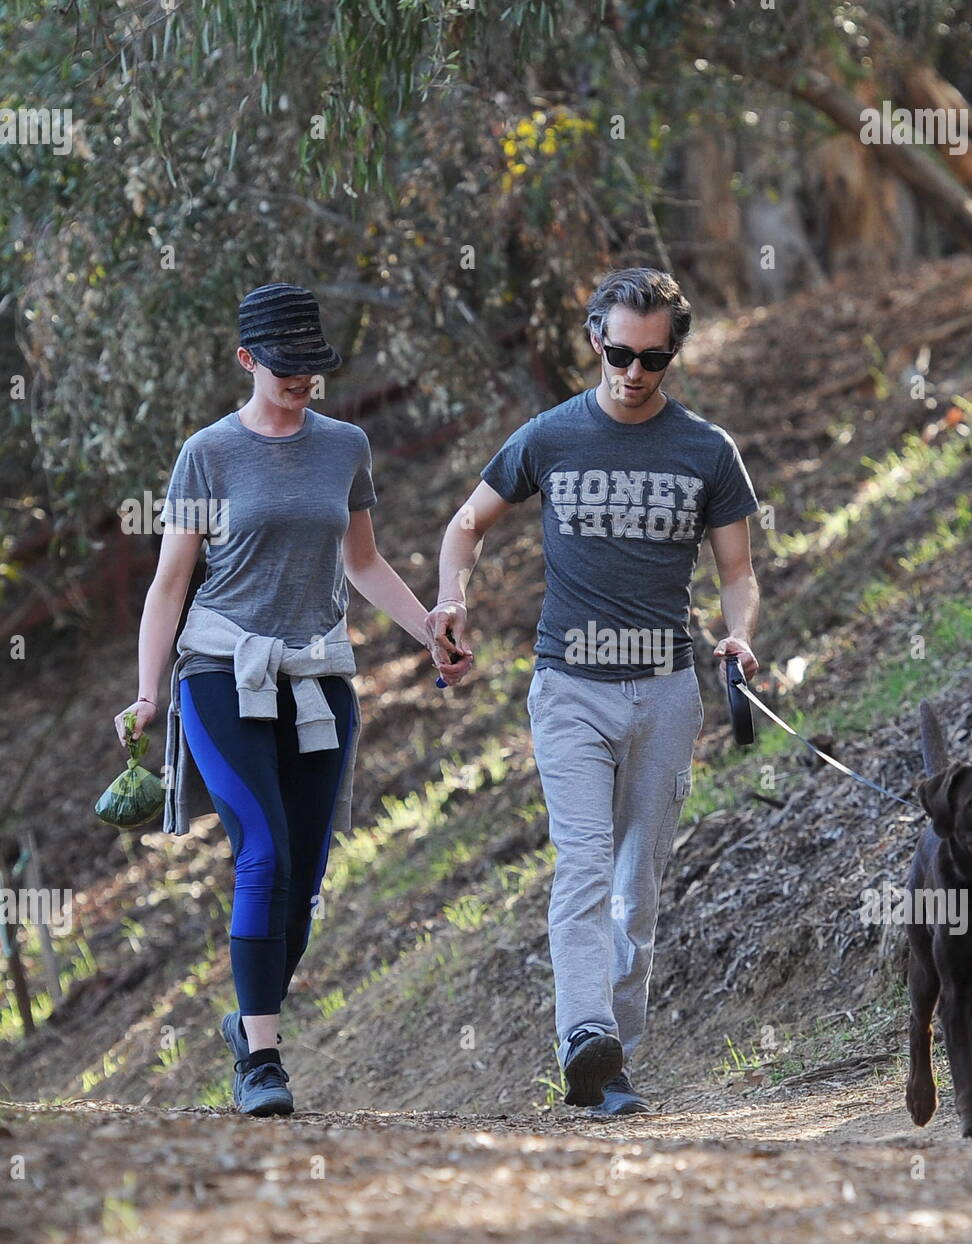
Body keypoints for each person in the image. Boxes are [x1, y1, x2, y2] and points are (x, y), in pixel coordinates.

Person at [430, 266, 760, 1116]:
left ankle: (616, 1055)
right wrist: (451, 599)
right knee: (581, 864)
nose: (635, 373)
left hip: (665, 691)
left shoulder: (706, 451)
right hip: (569, 688)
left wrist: (739, 635)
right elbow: (466, 527)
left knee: (637, 885)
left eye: (655, 358)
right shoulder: (549, 437)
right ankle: (588, 1042)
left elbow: (738, 573)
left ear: (674, 353)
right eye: (619, 353)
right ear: (594, 341)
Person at [114, 283, 448, 1117]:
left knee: (304, 871)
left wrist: (427, 631)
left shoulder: (345, 446)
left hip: (318, 674)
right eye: (286, 368)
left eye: (313, 367)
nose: (302, 381)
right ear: (248, 360)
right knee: (260, 849)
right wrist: (149, 692)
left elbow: (364, 562)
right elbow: (169, 584)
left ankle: (249, 1020)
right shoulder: (208, 453)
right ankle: (262, 1060)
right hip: (221, 670)